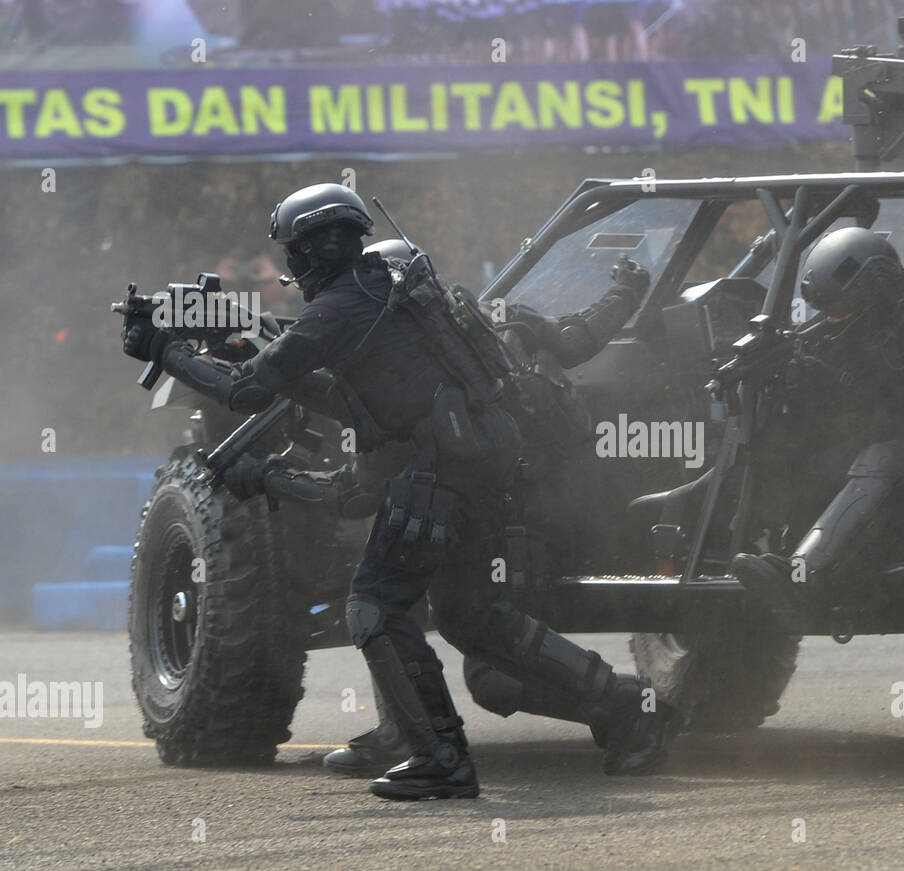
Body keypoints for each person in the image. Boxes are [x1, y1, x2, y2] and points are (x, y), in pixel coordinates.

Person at [122, 183, 673, 799]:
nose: (292, 268)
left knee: (375, 607)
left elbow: (249, 391)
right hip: (479, 466)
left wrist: (166, 351)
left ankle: (441, 757)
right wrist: (270, 455)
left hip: (437, 471)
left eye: (293, 254)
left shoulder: (339, 309)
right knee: (474, 619)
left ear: (309, 253)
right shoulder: (398, 302)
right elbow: (356, 402)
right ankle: (627, 708)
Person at [323, 238, 653, 775]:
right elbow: (577, 336)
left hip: (515, 521)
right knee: (393, 592)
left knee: (493, 679)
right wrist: (626, 290)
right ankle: (404, 731)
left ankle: (626, 706)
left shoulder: (462, 338)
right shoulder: (462, 328)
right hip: (479, 513)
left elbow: (573, 338)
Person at [731, 226, 904, 626]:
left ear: (875, 283)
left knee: (879, 457)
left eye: (841, 309)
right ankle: (818, 557)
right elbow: (860, 376)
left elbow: (901, 370)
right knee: (826, 455)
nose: (834, 320)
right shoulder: (879, 314)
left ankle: (802, 576)